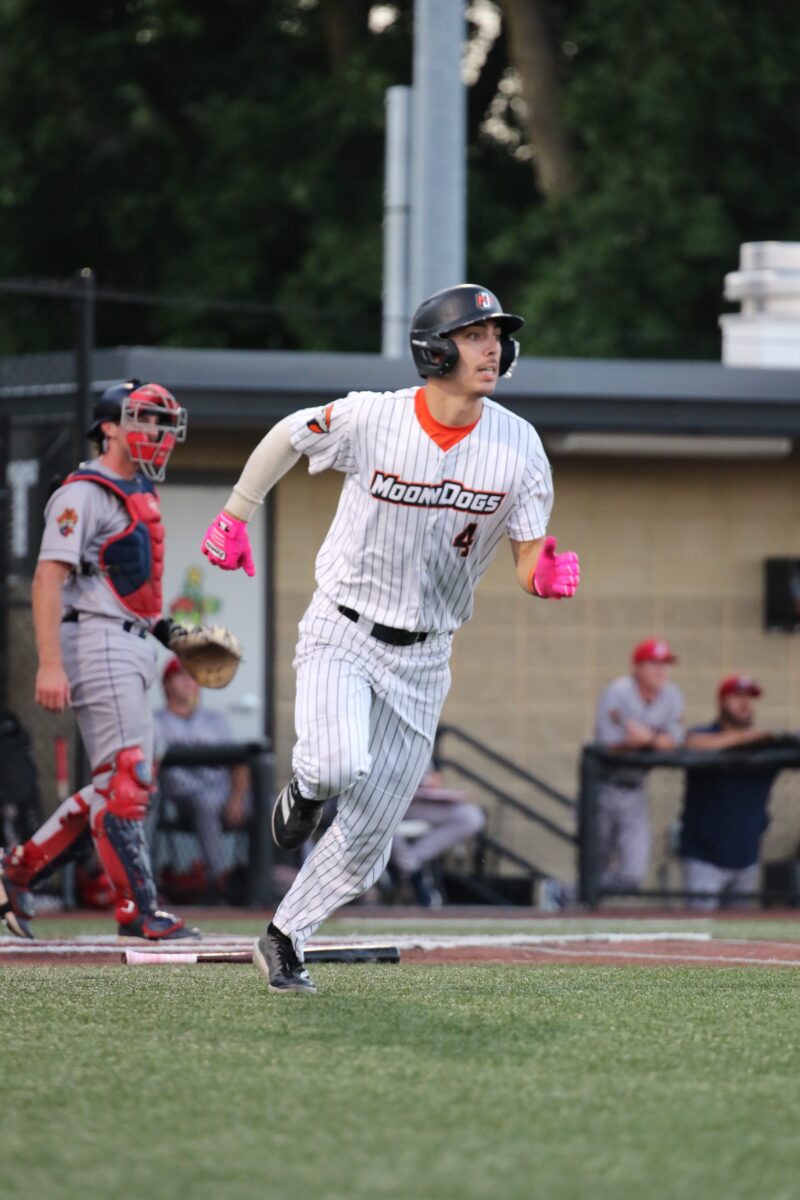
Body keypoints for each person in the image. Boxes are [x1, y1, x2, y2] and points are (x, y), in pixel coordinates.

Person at [201, 282, 580, 992]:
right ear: (434, 349)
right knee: (338, 762)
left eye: (497, 334)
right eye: (474, 335)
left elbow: (528, 559)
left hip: (427, 655)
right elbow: (288, 433)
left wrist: (545, 575)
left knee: (372, 844)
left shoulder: (520, 446)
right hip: (344, 626)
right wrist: (235, 513)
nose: (491, 346)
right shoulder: (374, 418)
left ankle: (284, 937)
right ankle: (305, 793)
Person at [0, 379, 200, 941]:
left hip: (130, 640)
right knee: (128, 781)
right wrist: (49, 663)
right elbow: (48, 578)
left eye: (161, 422)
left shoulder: (140, 491)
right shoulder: (82, 492)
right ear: (108, 427)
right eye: (142, 419)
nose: (156, 433)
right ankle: (139, 910)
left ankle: (16, 871)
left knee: (121, 783)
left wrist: (176, 637)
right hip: (96, 642)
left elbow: (131, 592)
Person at [153, 656, 250, 902]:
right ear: (166, 684)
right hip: (182, 798)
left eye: (194, 677)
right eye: (182, 676)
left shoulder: (215, 720)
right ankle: (219, 883)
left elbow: (239, 764)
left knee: (272, 803)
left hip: (226, 795)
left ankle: (277, 876)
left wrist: (237, 798)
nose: (190, 682)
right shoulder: (155, 721)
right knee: (205, 803)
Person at [679, 675, 780, 909]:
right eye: (737, 697)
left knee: (738, 936)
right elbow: (689, 742)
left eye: (749, 698)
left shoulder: (764, 744)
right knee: (699, 933)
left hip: (747, 858)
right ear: (723, 701)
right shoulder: (705, 734)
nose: (745, 704)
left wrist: (761, 739)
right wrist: (745, 739)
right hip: (703, 858)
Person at [593, 637, 684, 894]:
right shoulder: (618, 691)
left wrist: (647, 738)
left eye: (665, 664)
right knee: (593, 864)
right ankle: (579, 904)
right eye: (654, 663)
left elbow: (676, 742)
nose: (661, 670)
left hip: (636, 789)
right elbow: (609, 744)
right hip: (602, 787)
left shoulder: (672, 695)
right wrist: (656, 741)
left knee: (633, 874)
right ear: (637, 667)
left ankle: (567, 893)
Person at [389, 759, 485, 906]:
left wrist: (433, 783)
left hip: (421, 804)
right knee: (385, 827)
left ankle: (409, 865)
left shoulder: (421, 742)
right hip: (388, 804)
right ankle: (412, 874)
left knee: (471, 816)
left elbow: (430, 780)